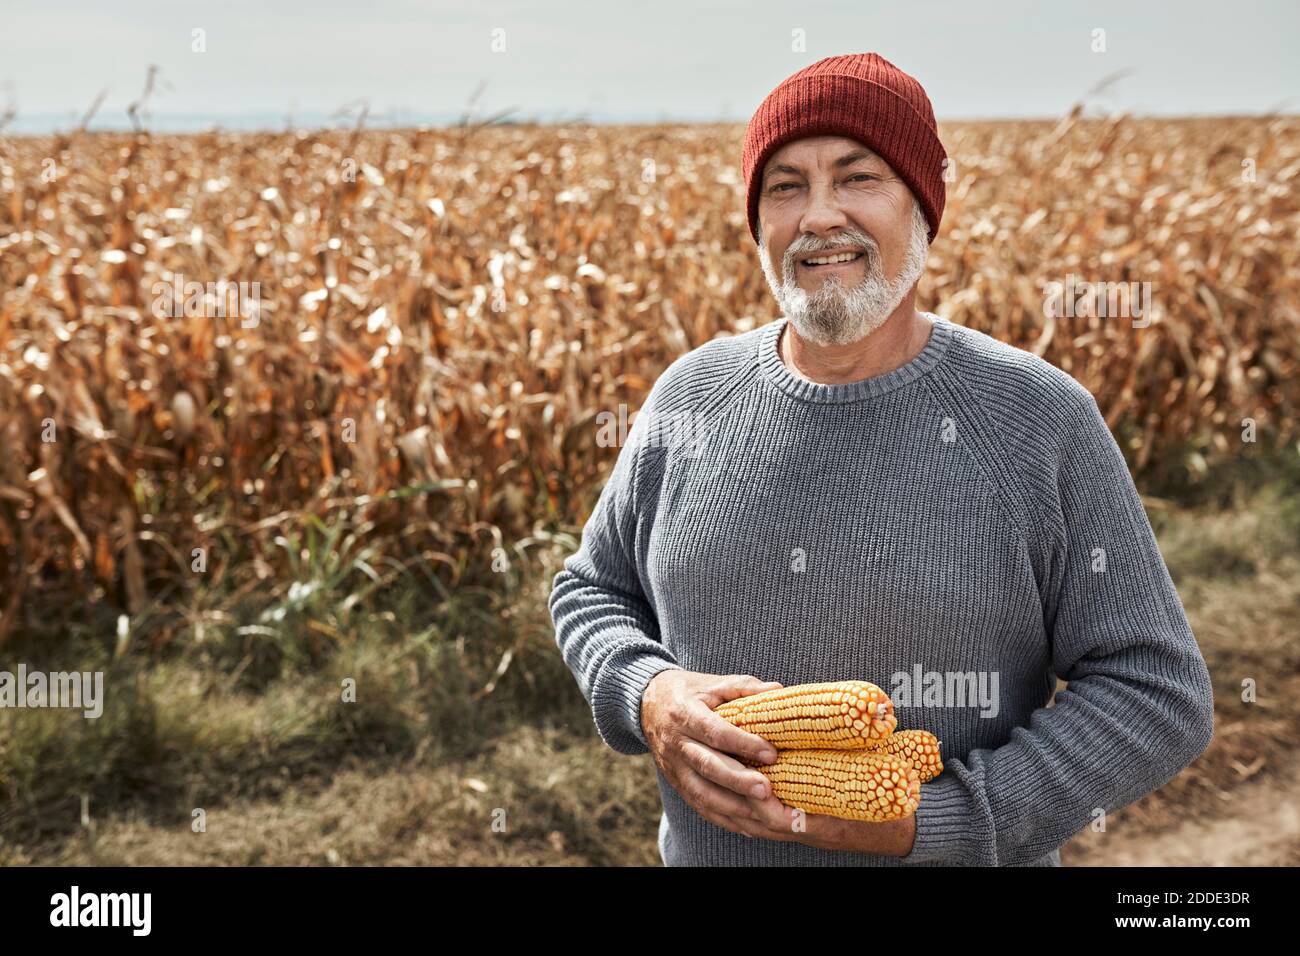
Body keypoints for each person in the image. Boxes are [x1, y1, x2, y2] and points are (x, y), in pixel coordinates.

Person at [549, 52, 1214, 866]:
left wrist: (939, 824)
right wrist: (646, 692)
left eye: (858, 177)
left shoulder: (1036, 419)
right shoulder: (692, 397)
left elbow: (1157, 693)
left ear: (924, 208)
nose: (819, 216)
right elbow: (592, 588)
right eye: (785, 185)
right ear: (758, 221)